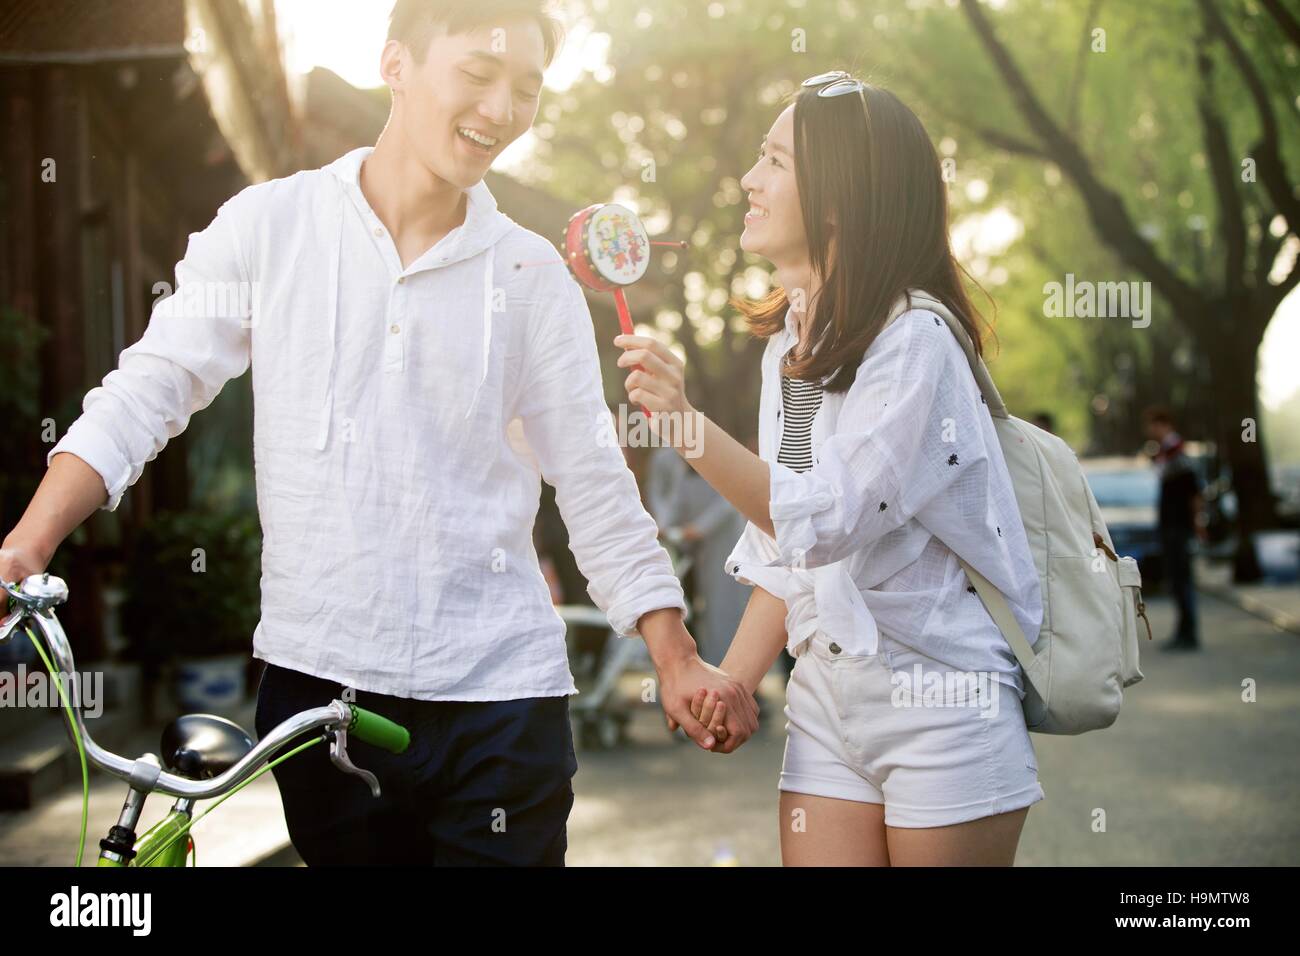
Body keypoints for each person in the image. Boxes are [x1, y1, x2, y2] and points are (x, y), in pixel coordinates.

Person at [0, 0, 757, 866]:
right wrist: (28, 543)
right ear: (396, 63)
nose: (502, 109)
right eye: (478, 74)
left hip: (501, 701)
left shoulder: (531, 274)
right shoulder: (267, 227)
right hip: (322, 699)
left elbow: (590, 478)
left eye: (525, 89)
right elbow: (151, 388)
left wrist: (674, 654)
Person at [614, 71, 1045, 865]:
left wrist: (681, 422)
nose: (749, 179)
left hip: (940, 699)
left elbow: (830, 516)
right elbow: (791, 544)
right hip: (826, 701)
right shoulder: (793, 351)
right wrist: (735, 683)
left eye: (774, 161)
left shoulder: (916, 343)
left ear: (841, 197)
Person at [1143, 406, 1205, 651]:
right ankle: (1183, 631)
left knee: (1182, 579)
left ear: (1164, 425)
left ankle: (1188, 633)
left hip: (1179, 527)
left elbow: (1194, 493)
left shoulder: (1178, 455)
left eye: (1153, 425)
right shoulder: (1165, 454)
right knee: (1177, 581)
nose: (1150, 431)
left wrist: (1197, 523)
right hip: (1171, 526)